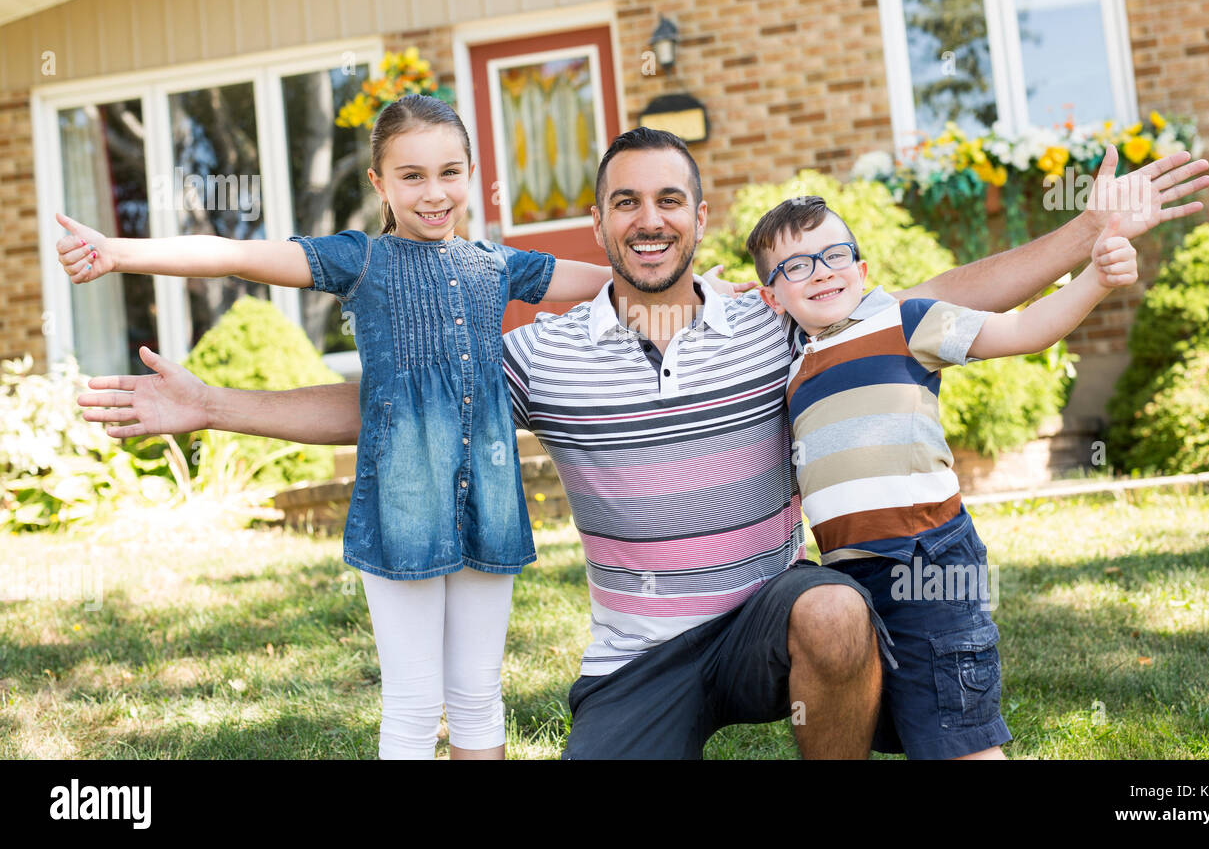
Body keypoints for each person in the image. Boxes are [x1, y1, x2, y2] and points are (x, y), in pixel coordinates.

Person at [74, 127, 1209, 758]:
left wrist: (1085, 230)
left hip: (763, 619)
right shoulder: (548, 351)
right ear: (601, 221)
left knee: (834, 607)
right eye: (626, 202)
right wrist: (216, 402)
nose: (650, 218)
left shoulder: (769, 316)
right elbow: (392, 411)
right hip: (638, 654)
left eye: (671, 199)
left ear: (699, 218)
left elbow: (933, 297)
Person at [53, 95, 745, 761]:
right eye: (412, 177)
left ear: (471, 175)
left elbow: (613, 279)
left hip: (491, 506)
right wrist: (119, 251)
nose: (433, 193)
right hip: (402, 508)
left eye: (449, 173)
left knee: (479, 695)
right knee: (414, 703)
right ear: (380, 183)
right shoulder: (362, 260)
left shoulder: (497, 265)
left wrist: (703, 288)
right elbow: (237, 255)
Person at [746, 195, 1139, 759]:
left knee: (958, 741)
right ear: (772, 297)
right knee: (914, 728)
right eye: (797, 265)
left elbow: (1025, 328)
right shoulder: (793, 370)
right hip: (851, 581)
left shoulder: (906, 322)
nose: (821, 271)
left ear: (862, 270)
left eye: (835, 255)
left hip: (926, 561)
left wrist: (1095, 279)